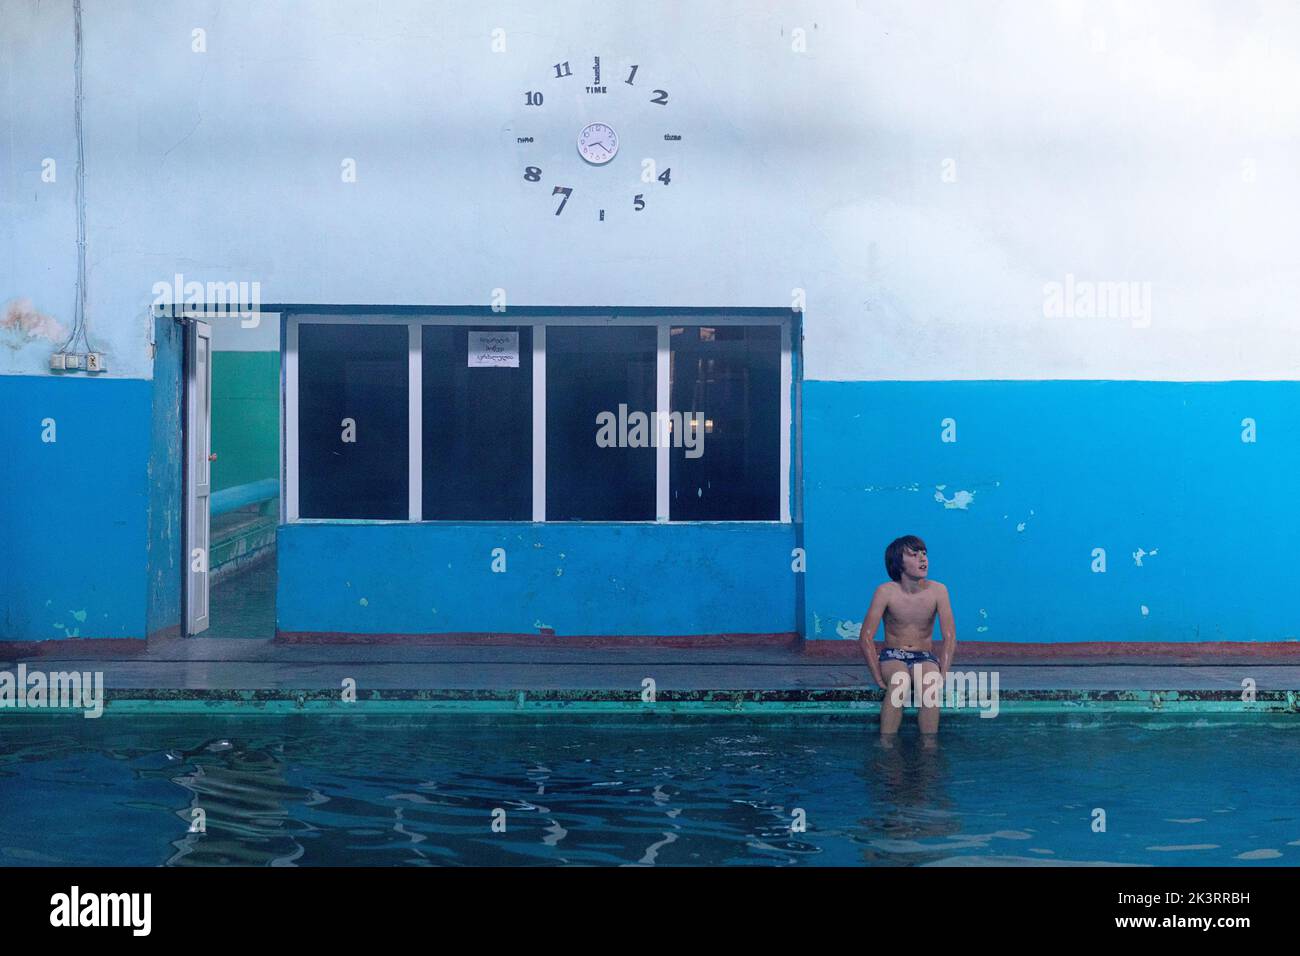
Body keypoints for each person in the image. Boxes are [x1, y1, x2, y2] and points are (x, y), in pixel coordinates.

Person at [859, 535, 956, 736]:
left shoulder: (939, 591)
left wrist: (943, 674)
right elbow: (866, 637)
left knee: (929, 684)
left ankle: (929, 747)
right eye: (914, 554)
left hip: (925, 656)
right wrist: (877, 675)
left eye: (924, 554)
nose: (923, 559)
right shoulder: (886, 592)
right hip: (893, 656)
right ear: (899, 563)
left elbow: (949, 636)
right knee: (900, 680)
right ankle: (886, 745)